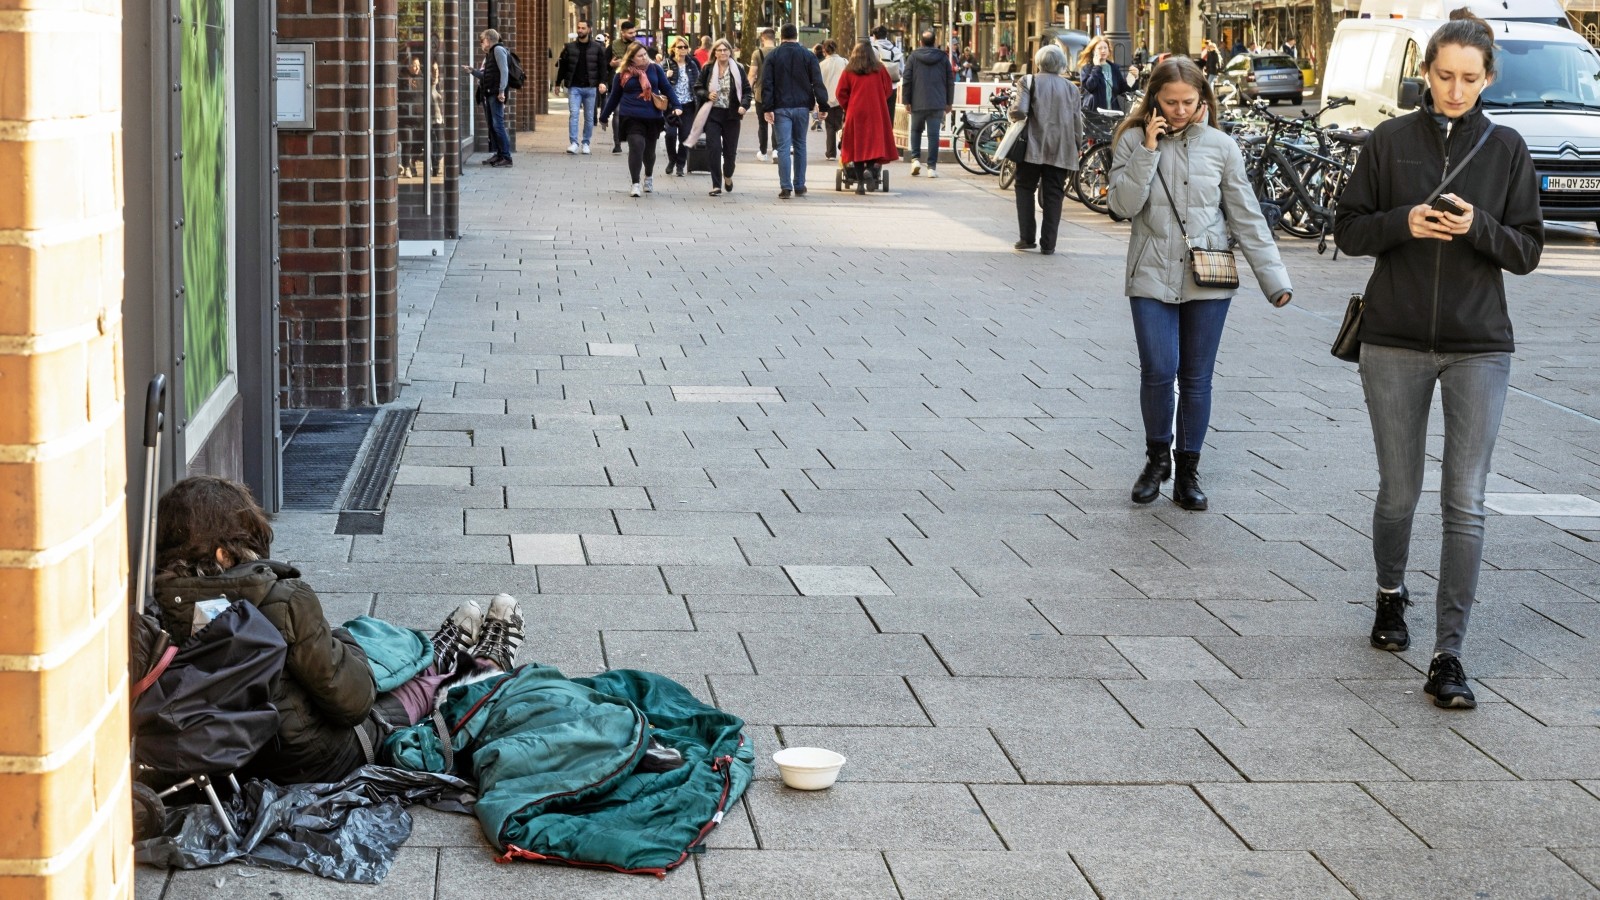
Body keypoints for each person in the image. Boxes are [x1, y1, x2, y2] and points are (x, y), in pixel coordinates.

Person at [1333, 10, 1543, 710]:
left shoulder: (1508, 148)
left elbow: (1527, 249)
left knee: (1467, 501)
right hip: (1392, 340)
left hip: (1479, 344)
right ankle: (1390, 594)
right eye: (1446, 76)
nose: (1457, 90)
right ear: (1425, 74)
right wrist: (1405, 223)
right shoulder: (1389, 142)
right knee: (1399, 492)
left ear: (1487, 80)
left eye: (1470, 79)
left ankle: (1448, 654)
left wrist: (1476, 227)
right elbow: (1349, 228)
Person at [151, 476, 526, 785]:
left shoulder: (156, 609)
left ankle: (436, 652)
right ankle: (484, 664)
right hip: (317, 756)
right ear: (223, 553)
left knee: (342, 652)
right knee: (400, 682)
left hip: (238, 762)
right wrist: (344, 640)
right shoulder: (279, 600)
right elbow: (354, 701)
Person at [1107, 57, 1292, 511]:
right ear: (1154, 100)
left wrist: (1275, 280)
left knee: (1196, 378)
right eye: (1169, 102)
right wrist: (1149, 149)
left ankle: (1187, 471)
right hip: (1150, 273)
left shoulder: (1221, 146)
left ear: (1202, 99)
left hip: (1207, 276)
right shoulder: (1132, 140)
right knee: (1157, 368)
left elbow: (1246, 216)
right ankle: (1156, 460)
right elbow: (1122, 206)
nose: (1179, 110)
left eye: (1188, 102)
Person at [1009, 44, 1083, 254]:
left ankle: (1027, 238)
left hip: (1032, 145)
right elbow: (1077, 121)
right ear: (1061, 64)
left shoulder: (1028, 81)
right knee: (1054, 194)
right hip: (1061, 147)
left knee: (1024, 187)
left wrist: (1013, 115)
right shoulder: (1071, 88)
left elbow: (1020, 110)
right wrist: (1076, 144)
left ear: (1039, 62)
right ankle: (1049, 244)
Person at [600, 41, 679, 196]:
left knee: (649, 152)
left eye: (645, 54)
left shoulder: (655, 69)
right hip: (631, 116)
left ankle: (648, 176)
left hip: (652, 117)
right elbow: (614, 97)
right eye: (640, 56)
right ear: (631, 58)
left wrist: (677, 106)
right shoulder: (622, 74)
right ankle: (635, 183)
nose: (644, 58)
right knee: (636, 146)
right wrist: (604, 117)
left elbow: (667, 88)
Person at [761, 23, 829, 199]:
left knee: (783, 147)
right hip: (801, 107)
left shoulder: (773, 56)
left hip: (781, 107)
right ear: (796, 35)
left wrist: (767, 108)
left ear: (780, 36)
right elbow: (817, 82)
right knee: (800, 145)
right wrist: (823, 105)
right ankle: (799, 184)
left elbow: (767, 84)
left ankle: (785, 187)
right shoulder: (808, 56)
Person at [836, 39, 899, 195]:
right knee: (873, 144)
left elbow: (840, 93)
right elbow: (888, 89)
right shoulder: (880, 69)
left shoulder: (849, 71)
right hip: (876, 112)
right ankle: (869, 170)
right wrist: (879, 99)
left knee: (857, 146)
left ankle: (859, 186)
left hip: (855, 112)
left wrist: (848, 106)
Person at [691, 38, 752, 196]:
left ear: (730, 52)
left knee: (730, 153)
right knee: (714, 149)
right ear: (715, 53)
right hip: (713, 114)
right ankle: (716, 185)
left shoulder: (737, 69)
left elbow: (746, 90)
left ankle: (728, 175)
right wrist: (706, 94)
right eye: (720, 50)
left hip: (732, 115)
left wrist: (743, 106)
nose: (723, 53)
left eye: (726, 50)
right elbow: (697, 87)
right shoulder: (708, 68)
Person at [903, 30, 954, 178]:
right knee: (934, 135)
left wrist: (907, 100)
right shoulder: (943, 58)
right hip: (937, 102)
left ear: (921, 42)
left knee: (916, 131)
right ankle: (931, 167)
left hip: (918, 101)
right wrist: (949, 102)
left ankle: (915, 159)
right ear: (935, 42)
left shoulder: (913, 57)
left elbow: (907, 79)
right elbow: (950, 81)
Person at [556, 21, 609, 154]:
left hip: (590, 87)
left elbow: (603, 67)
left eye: (583, 28)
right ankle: (574, 143)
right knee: (574, 114)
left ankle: (586, 143)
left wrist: (603, 82)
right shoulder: (569, 47)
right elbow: (563, 66)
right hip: (574, 87)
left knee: (589, 117)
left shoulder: (597, 48)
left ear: (589, 30)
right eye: (578, 28)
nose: (580, 30)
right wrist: (557, 83)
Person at [462, 29, 513, 167]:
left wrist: (502, 91)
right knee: (492, 125)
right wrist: (472, 71)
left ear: (489, 40)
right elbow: (487, 76)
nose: (481, 44)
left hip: (496, 94)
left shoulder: (498, 50)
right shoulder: (491, 53)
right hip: (490, 92)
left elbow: (504, 71)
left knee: (498, 125)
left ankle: (506, 157)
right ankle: (499, 154)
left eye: (482, 40)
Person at [662, 37, 701, 176]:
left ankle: (680, 164)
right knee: (670, 135)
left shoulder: (692, 64)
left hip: (688, 105)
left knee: (685, 136)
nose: (683, 49)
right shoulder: (666, 64)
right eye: (680, 47)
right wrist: (666, 76)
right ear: (673, 49)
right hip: (672, 106)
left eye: (685, 47)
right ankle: (672, 159)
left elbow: (698, 83)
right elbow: (660, 85)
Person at [1078, 34, 1138, 112]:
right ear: (1093, 51)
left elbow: (1122, 89)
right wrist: (1097, 67)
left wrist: (1133, 77)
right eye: (1100, 48)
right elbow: (1090, 87)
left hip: (1112, 114)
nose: (1103, 50)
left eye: (1105, 48)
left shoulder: (1114, 68)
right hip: (1093, 114)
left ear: (1109, 51)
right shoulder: (1087, 68)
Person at [607, 20, 640, 153]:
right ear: (623, 32)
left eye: (634, 32)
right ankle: (617, 143)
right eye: (630, 32)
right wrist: (611, 65)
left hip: (635, 84)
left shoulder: (638, 46)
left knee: (634, 114)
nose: (633, 34)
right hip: (618, 83)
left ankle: (634, 140)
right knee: (617, 113)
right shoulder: (614, 45)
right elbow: (605, 63)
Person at [749, 27, 777, 160]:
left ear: (762, 39)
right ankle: (776, 150)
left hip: (761, 93)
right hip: (778, 93)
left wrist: (747, 92)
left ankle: (763, 152)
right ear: (774, 38)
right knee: (776, 123)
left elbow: (752, 74)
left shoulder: (757, 53)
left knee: (762, 124)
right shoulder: (779, 52)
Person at [819, 40, 848, 160]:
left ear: (824, 50)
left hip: (827, 99)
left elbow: (818, 83)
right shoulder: (845, 62)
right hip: (842, 98)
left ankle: (831, 153)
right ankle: (845, 148)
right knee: (842, 125)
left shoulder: (822, 65)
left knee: (830, 126)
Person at [871, 26, 904, 120]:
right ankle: (888, 134)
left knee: (877, 117)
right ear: (886, 36)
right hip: (892, 87)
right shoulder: (895, 50)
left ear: (874, 36)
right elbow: (901, 70)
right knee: (889, 117)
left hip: (876, 88)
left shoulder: (872, 50)